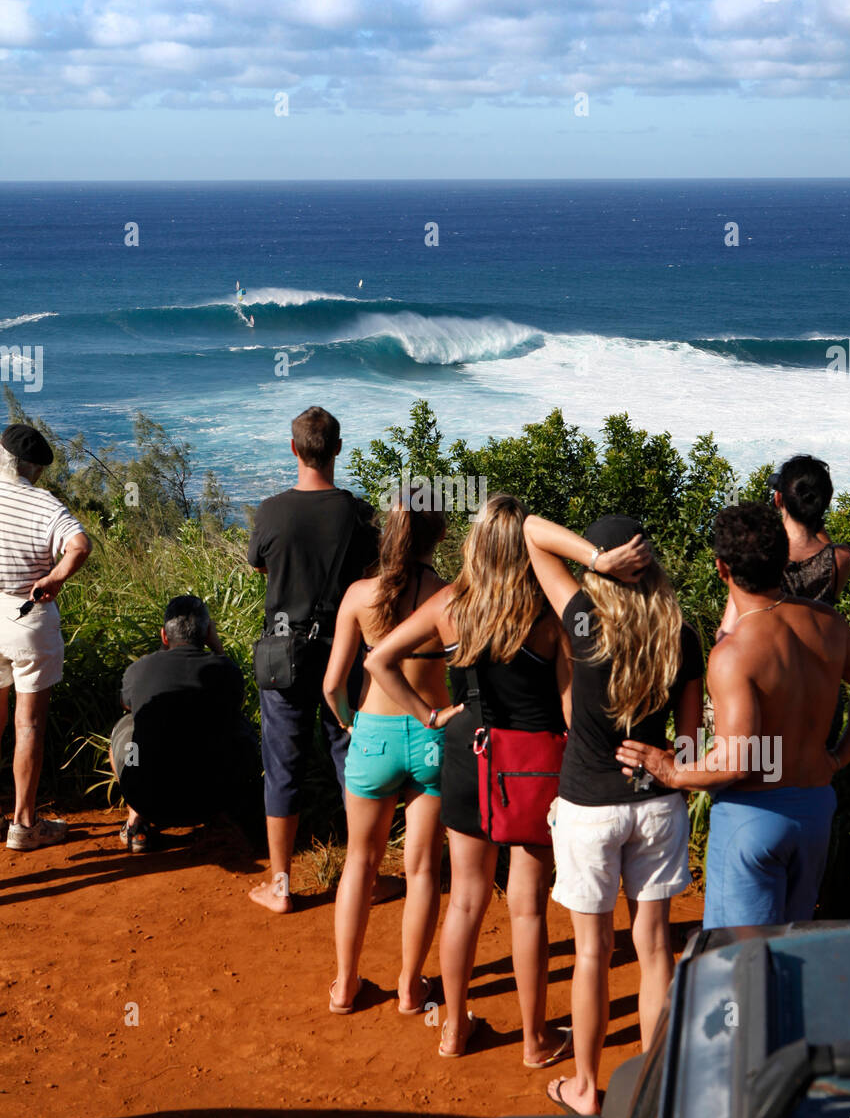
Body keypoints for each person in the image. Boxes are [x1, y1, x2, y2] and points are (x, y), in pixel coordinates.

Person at [368, 495, 644, 1068]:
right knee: (528, 909)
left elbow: (378, 661)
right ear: (524, 548)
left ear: (474, 545)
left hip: (469, 753)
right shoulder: (546, 612)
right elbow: (570, 709)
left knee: (465, 899)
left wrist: (429, 716)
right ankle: (534, 1041)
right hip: (536, 764)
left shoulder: (451, 605)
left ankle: (452, 1030)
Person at [616, 502, 850, 936]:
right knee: (792, 950)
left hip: (754, 816)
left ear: (721, 567)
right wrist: (843, 754)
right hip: (814, 808)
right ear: (781, 559)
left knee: (740, 963)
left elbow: (736, 761)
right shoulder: (827, 623)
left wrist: (671, 772)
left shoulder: (734, 654)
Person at [523, 512, 702, 1116]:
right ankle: (654, 1091)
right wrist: (661, 761)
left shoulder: (582, 618)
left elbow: (529, 530)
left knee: (593, 953)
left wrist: (595, 560)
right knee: (654, 950)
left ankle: (584, 1088)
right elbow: (692, 744)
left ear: (609, 568)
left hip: (588, 807)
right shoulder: (680, 632)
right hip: (656, 803)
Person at [246, 407, 379, 913]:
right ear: (338, 449)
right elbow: (370, 578)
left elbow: (262, 567)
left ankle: (280, 884)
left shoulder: (271, 511)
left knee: (282, 765)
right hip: (344, 653)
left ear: (294, 448)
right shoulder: (358, 514)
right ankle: (362, 877)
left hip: (283, 654)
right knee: (353, 759)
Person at [323, 503, 450, 1014]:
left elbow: (333, 684)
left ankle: (345, 984)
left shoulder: (360, 595)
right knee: (422, 869)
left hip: (372, 732)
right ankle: (409, 986)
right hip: (432, 732)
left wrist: (350, 721)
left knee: (361, 862)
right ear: (438, 535)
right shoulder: (451, 596)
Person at [0, 425, 92, 851]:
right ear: (32, 466)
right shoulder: (43, 503)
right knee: (29, 723)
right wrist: (54, 579)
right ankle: (24, 823)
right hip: (28, 617)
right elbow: (79, 545)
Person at [110, 596, 263, 852]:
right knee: (241, 726)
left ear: (164, 635)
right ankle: (223, 818)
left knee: (125, 727)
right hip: (213, 798)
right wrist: (218, 649)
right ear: (207, 634)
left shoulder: (139, 670)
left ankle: (136, 818)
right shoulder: (225, 670)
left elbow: (128, 704)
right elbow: (237, 698)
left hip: (150, 798)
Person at [718, 456, 850, 638]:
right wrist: (813, 514)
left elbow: (727, 631)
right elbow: (825, 549)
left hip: (770, 658)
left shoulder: (757, 555)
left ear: (778, 498)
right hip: (817, 659)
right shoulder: (841, 558)